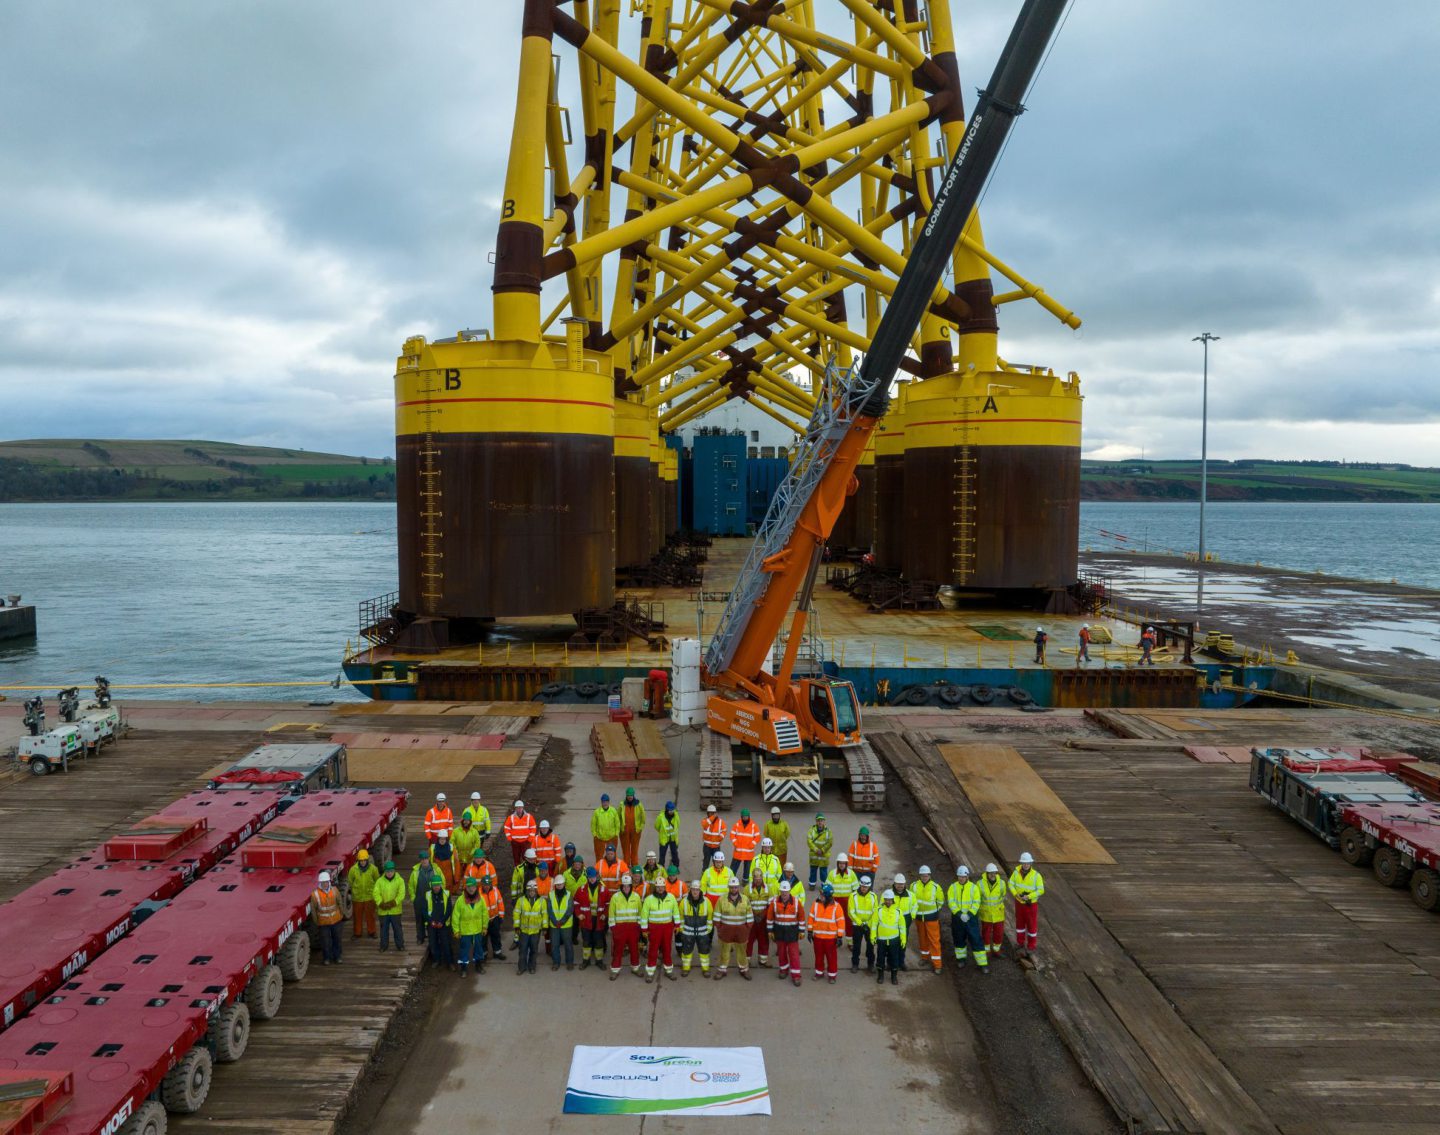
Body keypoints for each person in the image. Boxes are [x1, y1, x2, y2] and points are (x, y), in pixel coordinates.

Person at [640, 877, 680, 982]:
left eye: (662, 887)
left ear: (664, 887)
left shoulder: (671, 897)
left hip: (667, 927)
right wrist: (644, 929)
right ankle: (650, 972)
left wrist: (677, 925)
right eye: (658, 887)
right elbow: (644, 915)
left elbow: (675, 912)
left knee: (667, 949)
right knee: (653, 950)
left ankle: (668, 970)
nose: (660, 889)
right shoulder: (649, 899)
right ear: (655, 887)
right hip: (654, 928)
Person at [767, 879, 805, 987]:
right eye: (782, 892)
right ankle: (783, 970)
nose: (784, 894)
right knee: (782, 952)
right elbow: (770, 918)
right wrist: (770, 931)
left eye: (786, 892)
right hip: (779, 931)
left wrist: (801, 931)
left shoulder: (797, 902)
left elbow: (801, 917)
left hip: (792, 932)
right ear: (780, 892)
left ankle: (796, 976)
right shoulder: (774, 902)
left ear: (789, 891)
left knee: (794, 954)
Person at [947, 865, 986, 971]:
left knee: (976, 939)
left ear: (967, 876)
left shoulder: (974, 888)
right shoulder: (953, 887)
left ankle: (982, 964)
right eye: (959, 876)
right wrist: (959, 914)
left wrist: (969, 914)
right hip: (958, 919)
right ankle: (961, 959)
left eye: (963, 876)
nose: (961, 878)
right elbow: (951, 902)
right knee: (958, 939)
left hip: (971, 918)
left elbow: (976, 902)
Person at [712, 878, 752, 980]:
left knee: (742, 951)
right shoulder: (722, 899)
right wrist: (720, 928)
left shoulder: (745, 899)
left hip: (741, 931)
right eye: (732, 887)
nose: (734, 889)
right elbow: (716, 916)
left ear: (738, 887)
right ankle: (722, 969)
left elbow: (750, 917)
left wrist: (746, 928)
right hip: (726, 931)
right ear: (729, 888)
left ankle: (744, 969)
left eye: (735, 887)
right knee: (724, 951)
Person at [450, 876, 490, 977]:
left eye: (473, 887)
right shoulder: (460, 900)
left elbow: (484, 914)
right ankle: (463, 968)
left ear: (476, 888)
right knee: (464, 950)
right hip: (465, 931)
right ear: (465, 888)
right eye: (469, 887)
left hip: (477, 930)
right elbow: (455, 916)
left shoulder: (480, 900)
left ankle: (478, 965)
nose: (471, 889)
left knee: (478, 949)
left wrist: (485, 927)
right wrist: (456, 931)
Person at [608, 873, 644, 980]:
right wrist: (613, 928)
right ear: (621, 886)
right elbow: (611, 913)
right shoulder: (615, 897)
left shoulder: (636, 896)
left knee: (634, 949)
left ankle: (635, 968)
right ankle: (615, 970)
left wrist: (639, 926)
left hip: (633, 928)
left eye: (628, 886)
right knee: (618, 950)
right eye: (624, 886)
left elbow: (640, 912)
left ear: (631, 886)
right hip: (620, 928)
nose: (626, 888)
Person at [1009, 851, 1045, 958]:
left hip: (1031, 905)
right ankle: (1020, 942)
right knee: (1020, 924)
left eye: (1027, 863)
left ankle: (1031, 945)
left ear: (1030, 863)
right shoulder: (1016, 872)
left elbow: (1041, 890)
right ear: (1021, 863)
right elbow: (1010, 884)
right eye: (1024, 863)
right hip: (1019, 903)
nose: (1026, 865)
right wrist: (1016, 894)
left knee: (1031, 925)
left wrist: (1029, 896)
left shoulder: (1036, 876)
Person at [808, 883, 845, 984]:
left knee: (831, 958)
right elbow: (811, 918)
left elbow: (841, 922)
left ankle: (832, 975)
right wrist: (810, 931)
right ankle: (819, 973)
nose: (820, 896)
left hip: (830, 939)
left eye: (822, 895)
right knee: (818, 956)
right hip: (818, 937)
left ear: (828, 896)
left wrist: (839, 937)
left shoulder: (837, 907)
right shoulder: (815, 904)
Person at [911, 865, 944, 974]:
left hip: (932, 918)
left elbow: (940, 901)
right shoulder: (914, 886)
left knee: (934, 941)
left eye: (926, 875)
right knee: (922, 939)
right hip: (919, 918)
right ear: (920, 875)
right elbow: (911, 900)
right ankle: (924, 957)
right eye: (923, 875)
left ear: (929, 875)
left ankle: (937, 965)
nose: (924, 877)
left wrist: (933, 911)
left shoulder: (935, 887)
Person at [677, 880, 714, 977]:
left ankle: (705, 969)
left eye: (697, 890)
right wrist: (682, 929)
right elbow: (680, 916)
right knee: (686, 952)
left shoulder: (707, 902)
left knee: (704, 952)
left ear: (700, 890)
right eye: (693, 889)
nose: (695, 892)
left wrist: (708, 930)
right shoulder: (684, 902)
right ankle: (686, 968)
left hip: (702, 933)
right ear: (690, 890)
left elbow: (710, 917)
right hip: (687, 932)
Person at [574, 866, 608, 970]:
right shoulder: (581, 889)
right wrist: (578, 914)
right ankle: (586, 960)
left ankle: (599, 961)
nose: (592, 879)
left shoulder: (603, 889)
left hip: (598, 920)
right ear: (587, 878)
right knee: (586, 941)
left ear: (597, 877)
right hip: (586, 920)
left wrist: (605, 914)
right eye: (590, 877)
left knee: (599, 942)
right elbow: (576, 903)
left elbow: (608, 904)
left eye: (593, 877)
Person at [872, 888, 907, 985]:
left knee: (894, 958)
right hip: (881, 940)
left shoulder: (898, 912)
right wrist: (873, 936)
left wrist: (903, 939)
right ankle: (880, 975)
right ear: (884, 900)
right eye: (886, 899)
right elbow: (874, 924)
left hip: (894, 940)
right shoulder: (878, 910)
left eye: (889, 899)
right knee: (880, 958)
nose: (888, 901)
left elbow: (902, 927)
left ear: (892, 900)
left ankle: (894, 976)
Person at [514, 878, 547, 975]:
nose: (532, 892)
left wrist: (545, 927)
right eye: (530, 891)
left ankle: (532, 967)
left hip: (536, 931)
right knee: (522, 950)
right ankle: (521, 968)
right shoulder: (521, 901)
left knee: (534, 950)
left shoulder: (542, 901)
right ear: (527, 891)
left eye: (533, 890)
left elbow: (545, 915)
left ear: (536, 891)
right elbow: (516, 913)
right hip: (523, 931)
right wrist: (516, 926)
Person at [310, 871, 344, 966]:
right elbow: (313, 910)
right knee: (325, 942)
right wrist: (317, 922)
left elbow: (340, 903)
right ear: (320, 883)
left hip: (336, 920)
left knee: (337, 939)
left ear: (329, 882)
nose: (325, 884)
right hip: (323, 923)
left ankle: (337, 957)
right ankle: (326, 958)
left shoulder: (335, 891)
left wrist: (341, 915)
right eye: (323, 882)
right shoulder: (315, 895)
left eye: (326, 882)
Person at [374, 859, 407, 952]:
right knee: (383, 930)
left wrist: (393, 903)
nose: (389, 873)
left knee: (398, 929)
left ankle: (400, 945)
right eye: (387, 871)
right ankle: (383, 946)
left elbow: (401, 894)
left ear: (394, 871)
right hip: (383, 911)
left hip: (395, 911)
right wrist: (380, 903)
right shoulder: (379, 881)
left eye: (391, 871)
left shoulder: (400, 880)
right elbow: (376, 893)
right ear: (385, 871)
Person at [746, 870, 777, 969]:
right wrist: (753, 914)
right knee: (749, 940)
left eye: (759, 877)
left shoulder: (769, 889)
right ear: (753, 878)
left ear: (762, 877)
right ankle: (746, 960)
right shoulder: (747, 889)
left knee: (763, 939)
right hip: (751, 919)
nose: (758, 880)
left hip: (763, 919)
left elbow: (771, 905)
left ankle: (763, 960)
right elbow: (745, 904)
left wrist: (763, 914)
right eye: (756, 877)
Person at [848, 874, 878, 973]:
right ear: (860, 885)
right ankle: (855, 964)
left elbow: (875, 912)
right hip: (857, 925)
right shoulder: (853, 896)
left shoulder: (874, 896)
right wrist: (861, 924)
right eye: (862, 886)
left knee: (870, 946)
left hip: (869, 926)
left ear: (869, 886)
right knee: (856, 946)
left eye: (866, 887)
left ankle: (870, 964)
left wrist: (868, 924)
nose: (864, 888)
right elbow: (851, 912)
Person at [347, 849, 380, 939]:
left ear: (367, 860)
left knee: (371, 916)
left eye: (364, 860)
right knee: (357, 917)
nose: (362, 862)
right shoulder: (353, 870)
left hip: (369, 897)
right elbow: (350, 881)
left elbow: (377, 881)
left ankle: (372, 932)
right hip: (357, 898)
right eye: (361, 860)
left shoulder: (374, 869)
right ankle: (357, 933)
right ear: (358, 860)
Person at [978, 862, 1008, 960]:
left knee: (998, 933)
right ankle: (987, 951)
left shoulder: (1002, 883)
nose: (992, 875)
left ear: (996, 873)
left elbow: (1003, 895)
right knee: (986, 933)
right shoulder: (980, 884)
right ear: (987, 873)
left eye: (994, 873)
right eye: (990, 873)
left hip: (998, 913)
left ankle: (996, 950)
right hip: (986, 913)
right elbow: (977, 898)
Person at [547, 872, 576, 971]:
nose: (559, 886)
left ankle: (570, 963)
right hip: (554, 925)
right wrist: (555, 922)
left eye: (561, 884)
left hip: (566, 925)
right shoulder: (550, 895)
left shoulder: (569, 895)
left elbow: (570, 910)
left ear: (564, 884)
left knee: (568, 945)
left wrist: (562, 921)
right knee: (554, 945)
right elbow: (550, 910)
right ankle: (556, 963)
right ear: (555, 885)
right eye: (557, 884)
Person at [423, 876, 453, 968]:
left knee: (446, 943)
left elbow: (449, 910)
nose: (436, 887)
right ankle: (436, 960)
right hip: (431, 924)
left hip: (443, 924)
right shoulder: (427, 894)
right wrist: (430, 921)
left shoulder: (446, 894)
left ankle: (450, 962)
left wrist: (442, 922)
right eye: (434, 885)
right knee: (433, 943)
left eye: (438, 885)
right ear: (431, 885)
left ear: (441, 885)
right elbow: (424, 910)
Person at [408, 849, 436, 945]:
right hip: (419, 900)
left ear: (429, 859)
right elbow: (411, 886)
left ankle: (432, 937)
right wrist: (413, 898)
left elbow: (442, 882)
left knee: (431, 919)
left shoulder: (435, 870)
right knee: (419, 920)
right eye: (422, 859)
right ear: (420, 860)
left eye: (426, 858)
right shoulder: (415, 872)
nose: (424, 861)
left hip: (432, 900)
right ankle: (420, 937)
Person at [829, 853, 857, 936]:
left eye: (843, 863)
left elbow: (856, 889)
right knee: (835, 921)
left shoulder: (851, 874)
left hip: (848, 901)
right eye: (840, 863)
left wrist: (855, 902)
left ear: (846, 864)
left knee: (848, 921)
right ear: (837, 863)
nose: (841, 865)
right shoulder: (832, 873)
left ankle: (850, 941)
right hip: (835, 901)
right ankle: (836, 939)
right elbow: (827, 888)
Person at [729, 808, 761, 883]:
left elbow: (758, 836)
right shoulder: (737, 825)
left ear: (749, 817)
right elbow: (732, 835)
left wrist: (752, 844)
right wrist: (735, 843)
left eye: (746, 817)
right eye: (743, 817)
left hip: (748, 852)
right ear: (741, 817)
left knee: (747, 868)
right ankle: (730, 879)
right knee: (734, 867)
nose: (745, 818)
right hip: (738, 851)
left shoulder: (753, 826)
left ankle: (745, 880)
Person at [480, 873, 506, 963]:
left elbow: (500, 903)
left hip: (494, 918)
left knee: (496, 936)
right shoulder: (478, 893)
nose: (486, 887)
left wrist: (501, 916)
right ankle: (483, 955)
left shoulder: (495, 890)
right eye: (485, 885)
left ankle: (497, 952)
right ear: (482, 885)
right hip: (483, 921)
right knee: (483, 938)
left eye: (488, 885)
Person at [503, 800, 537, 868]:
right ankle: (517, 871)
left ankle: (527, 870)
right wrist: (510, 838)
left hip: (525, 842)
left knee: (526, 857)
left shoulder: (529, 817)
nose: (519, 809)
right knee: (516, 858)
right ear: (515, 808)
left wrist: (530, 839)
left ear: (523, 808)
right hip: (515, 842)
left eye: (520, 807)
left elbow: (533, 827)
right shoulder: (511, 817)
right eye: (517, 808)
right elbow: (506, 827)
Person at [891, 873, 913, 970]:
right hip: (892, 924)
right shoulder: (888, 894)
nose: (900, 886)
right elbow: (882, 907)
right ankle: (890, 963)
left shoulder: (911, 895)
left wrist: (911, 917)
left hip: (905, 923)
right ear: (894, 884)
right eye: (898, 884)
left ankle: (901, 962)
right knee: (891, 944)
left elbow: (915, 907)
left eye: (901, 884)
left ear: (904, 884)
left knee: (902, 943)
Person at [591, 793, 622, 863]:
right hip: (599, 838)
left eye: (606, 802)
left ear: (609, 802)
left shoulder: (613, 811)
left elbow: (617, 823)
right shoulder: (597, 812)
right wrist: (595, 835)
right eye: (603, 802)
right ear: (601, 802)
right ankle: (599, 868)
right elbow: (593, 824)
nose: (605, 803)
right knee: (599, 855)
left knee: (612, 854)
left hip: (611, 837)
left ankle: (612, 867)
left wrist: (616, 834)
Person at [620, 788, 647, 867]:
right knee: (625, 849)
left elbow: (643, 817)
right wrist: (621, 828)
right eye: (628, 795)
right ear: (626, 795)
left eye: (631, 795)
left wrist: (640, 827)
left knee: (635, 848)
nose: (629, 797)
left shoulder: (639, 805)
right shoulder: (622, 804)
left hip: (635, 830)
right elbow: (618, 817)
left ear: (633, 795)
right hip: (625, 830)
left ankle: (635, 864)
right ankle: (626, 864)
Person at [806, 813, 833, 885]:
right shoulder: (811, 830)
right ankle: (812, 884)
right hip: (814, 856)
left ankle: (824, 885)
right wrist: (816, 850)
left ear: (824, 821)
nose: (820, 822)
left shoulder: (828, 831)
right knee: (813, 871)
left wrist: (822, 850)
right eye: (818, 820)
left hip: (823, 856)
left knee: (823, 872)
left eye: (821, 820)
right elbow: (809, 841)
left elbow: (830, 842)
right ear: (816, 821)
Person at [655, 800, 680, 870]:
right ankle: (661, 869)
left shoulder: (676, 816)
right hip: (664, 839)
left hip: (673, 839)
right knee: (662, 855)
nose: (671, 812)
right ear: (666, 810)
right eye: (670, 810)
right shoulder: (660, 817)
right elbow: (656, 826)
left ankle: (676, 867)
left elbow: (678, 824)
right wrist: (662, 833)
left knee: (674, 854)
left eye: (672, 810)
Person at [432, 829, 456, 893]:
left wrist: (456, 879)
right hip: (436, 876)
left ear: (446, 839)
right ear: (438, 839)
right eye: (441, 839)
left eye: (444, 839)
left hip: (448, 875)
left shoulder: (451, 848)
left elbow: (456, 864)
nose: (442, 840)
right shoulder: (432, 848)